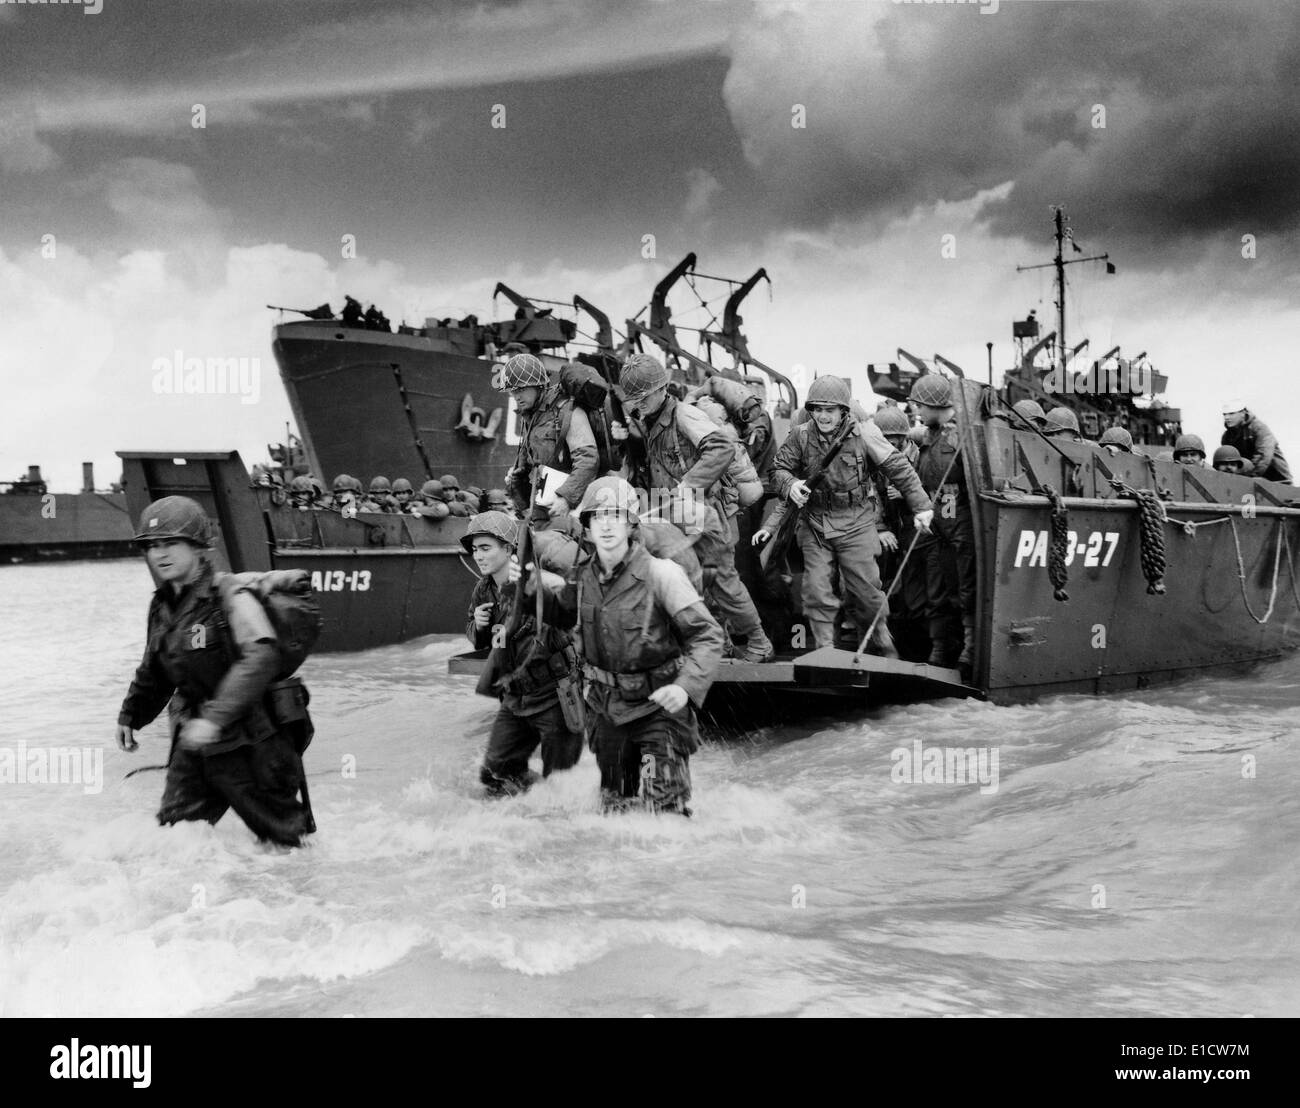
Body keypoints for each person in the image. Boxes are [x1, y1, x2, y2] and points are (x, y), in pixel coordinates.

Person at [115, 497, 313, 847]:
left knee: (285, 844)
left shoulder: (230, 595)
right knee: (176, 839)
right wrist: (131, 714)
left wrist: (215, 719)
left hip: (253, 742)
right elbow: (154, 668)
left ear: (197, 548)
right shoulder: (162, 606)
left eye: (171, 543)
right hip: (194, 743)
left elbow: (261, 656)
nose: (160, 554)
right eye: (152, 546)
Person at [542, 477, 723, 816]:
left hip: (658, 712)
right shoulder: (581, 577)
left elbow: (708, 636)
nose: (607, 524)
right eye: (598, 517)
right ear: (588, 527)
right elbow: (563, 617)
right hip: (607, 712)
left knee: (662, 813)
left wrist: (685, 687)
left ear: (631, 523)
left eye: (616, 515)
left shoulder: (661, 574)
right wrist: (523, 589)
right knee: (615, 807)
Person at [619, 353, 774, 662]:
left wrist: (690, 486)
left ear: (661, 389)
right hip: (676, 519)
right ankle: (722, 646)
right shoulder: (650, 423)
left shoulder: (684, 415)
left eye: (644, 395)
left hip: (707, 515)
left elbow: (721, 447)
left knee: (724, 584)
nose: (639, 402)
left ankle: (759, 643)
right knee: (696, 586)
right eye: (634, 398)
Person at [772, 375, 933, 656]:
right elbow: (777, 470)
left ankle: (880, 637)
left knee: (866, 591)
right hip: (816, 520)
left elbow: (899, 467)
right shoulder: (800, 435)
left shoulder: (865, 433)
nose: (823, 416)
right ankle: (824, 648)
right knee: (816, 588)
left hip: (856, 520)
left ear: (843, 411)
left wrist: (922, 507)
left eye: (829, 409)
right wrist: (790, 484)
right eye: (817, 409)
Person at [463, 511, 582, 794]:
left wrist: (528, 591)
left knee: (563, 784)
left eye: (485, 548)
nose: (478, 556)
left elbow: (569, 620)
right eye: (475, 549)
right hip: (515, 696)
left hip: (554, 693)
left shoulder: (543, 582)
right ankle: (526, 807)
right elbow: (481, 642)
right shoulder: (484, 589)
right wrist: (478, 627)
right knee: (495, 773)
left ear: (507, 549)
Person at [909, 374, 976, 671]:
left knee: (965, 585)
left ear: (935, 404)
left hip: (956, 514)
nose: (917, 412)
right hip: (937, 516)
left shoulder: (963, 435)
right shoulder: (928, 434)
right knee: (937, 586)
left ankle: (971, 645)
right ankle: (941, 645)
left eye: (920, 405)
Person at [500, 353, 599, 529]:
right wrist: (516, 481)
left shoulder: (566, 411)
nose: (516, 396)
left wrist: (566, 499)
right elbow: (529, 460)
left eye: (521, 389)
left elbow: (588, 460)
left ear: (538, 385)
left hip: (571, 507)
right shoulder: (530, 416)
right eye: (513, 391)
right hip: (542, 502)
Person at [1221, 400, 1291, 482]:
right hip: (1248, 479)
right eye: (1224, 414)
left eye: (1231, 413)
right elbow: (1226, 461)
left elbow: (1263, 456)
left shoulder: (1259, 429)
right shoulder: (1227, 437)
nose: (1227, 417)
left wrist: (1249, 478)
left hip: (1278, 480)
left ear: (1243, 413)